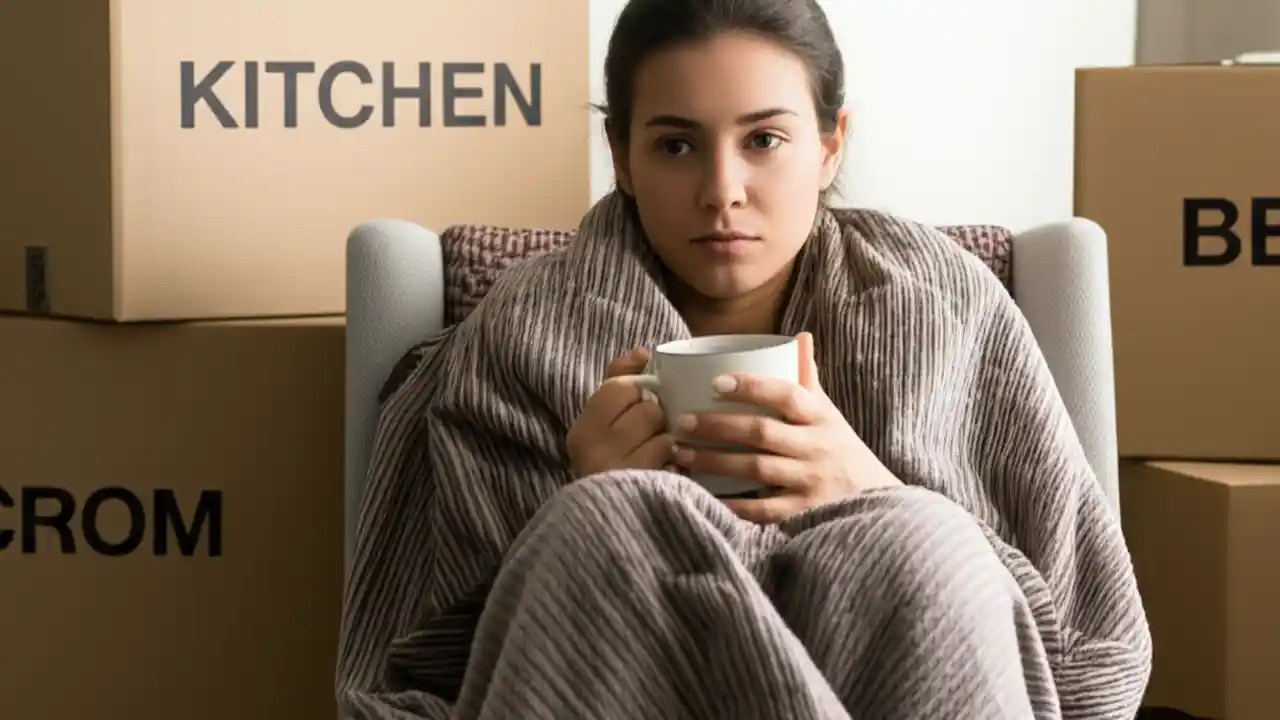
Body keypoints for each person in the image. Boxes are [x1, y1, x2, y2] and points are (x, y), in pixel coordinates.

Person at [337, 1, 1153, 718]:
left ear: (830, 146)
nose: (722, 189)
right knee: (603, 522)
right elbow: (408, 677)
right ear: (620, 154)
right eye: (676, 146)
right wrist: (573, 503)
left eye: (764, 139)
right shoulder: (518, 336)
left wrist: (874, 489)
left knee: (919, 535)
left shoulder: (952, 307)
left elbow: (1095, 660)